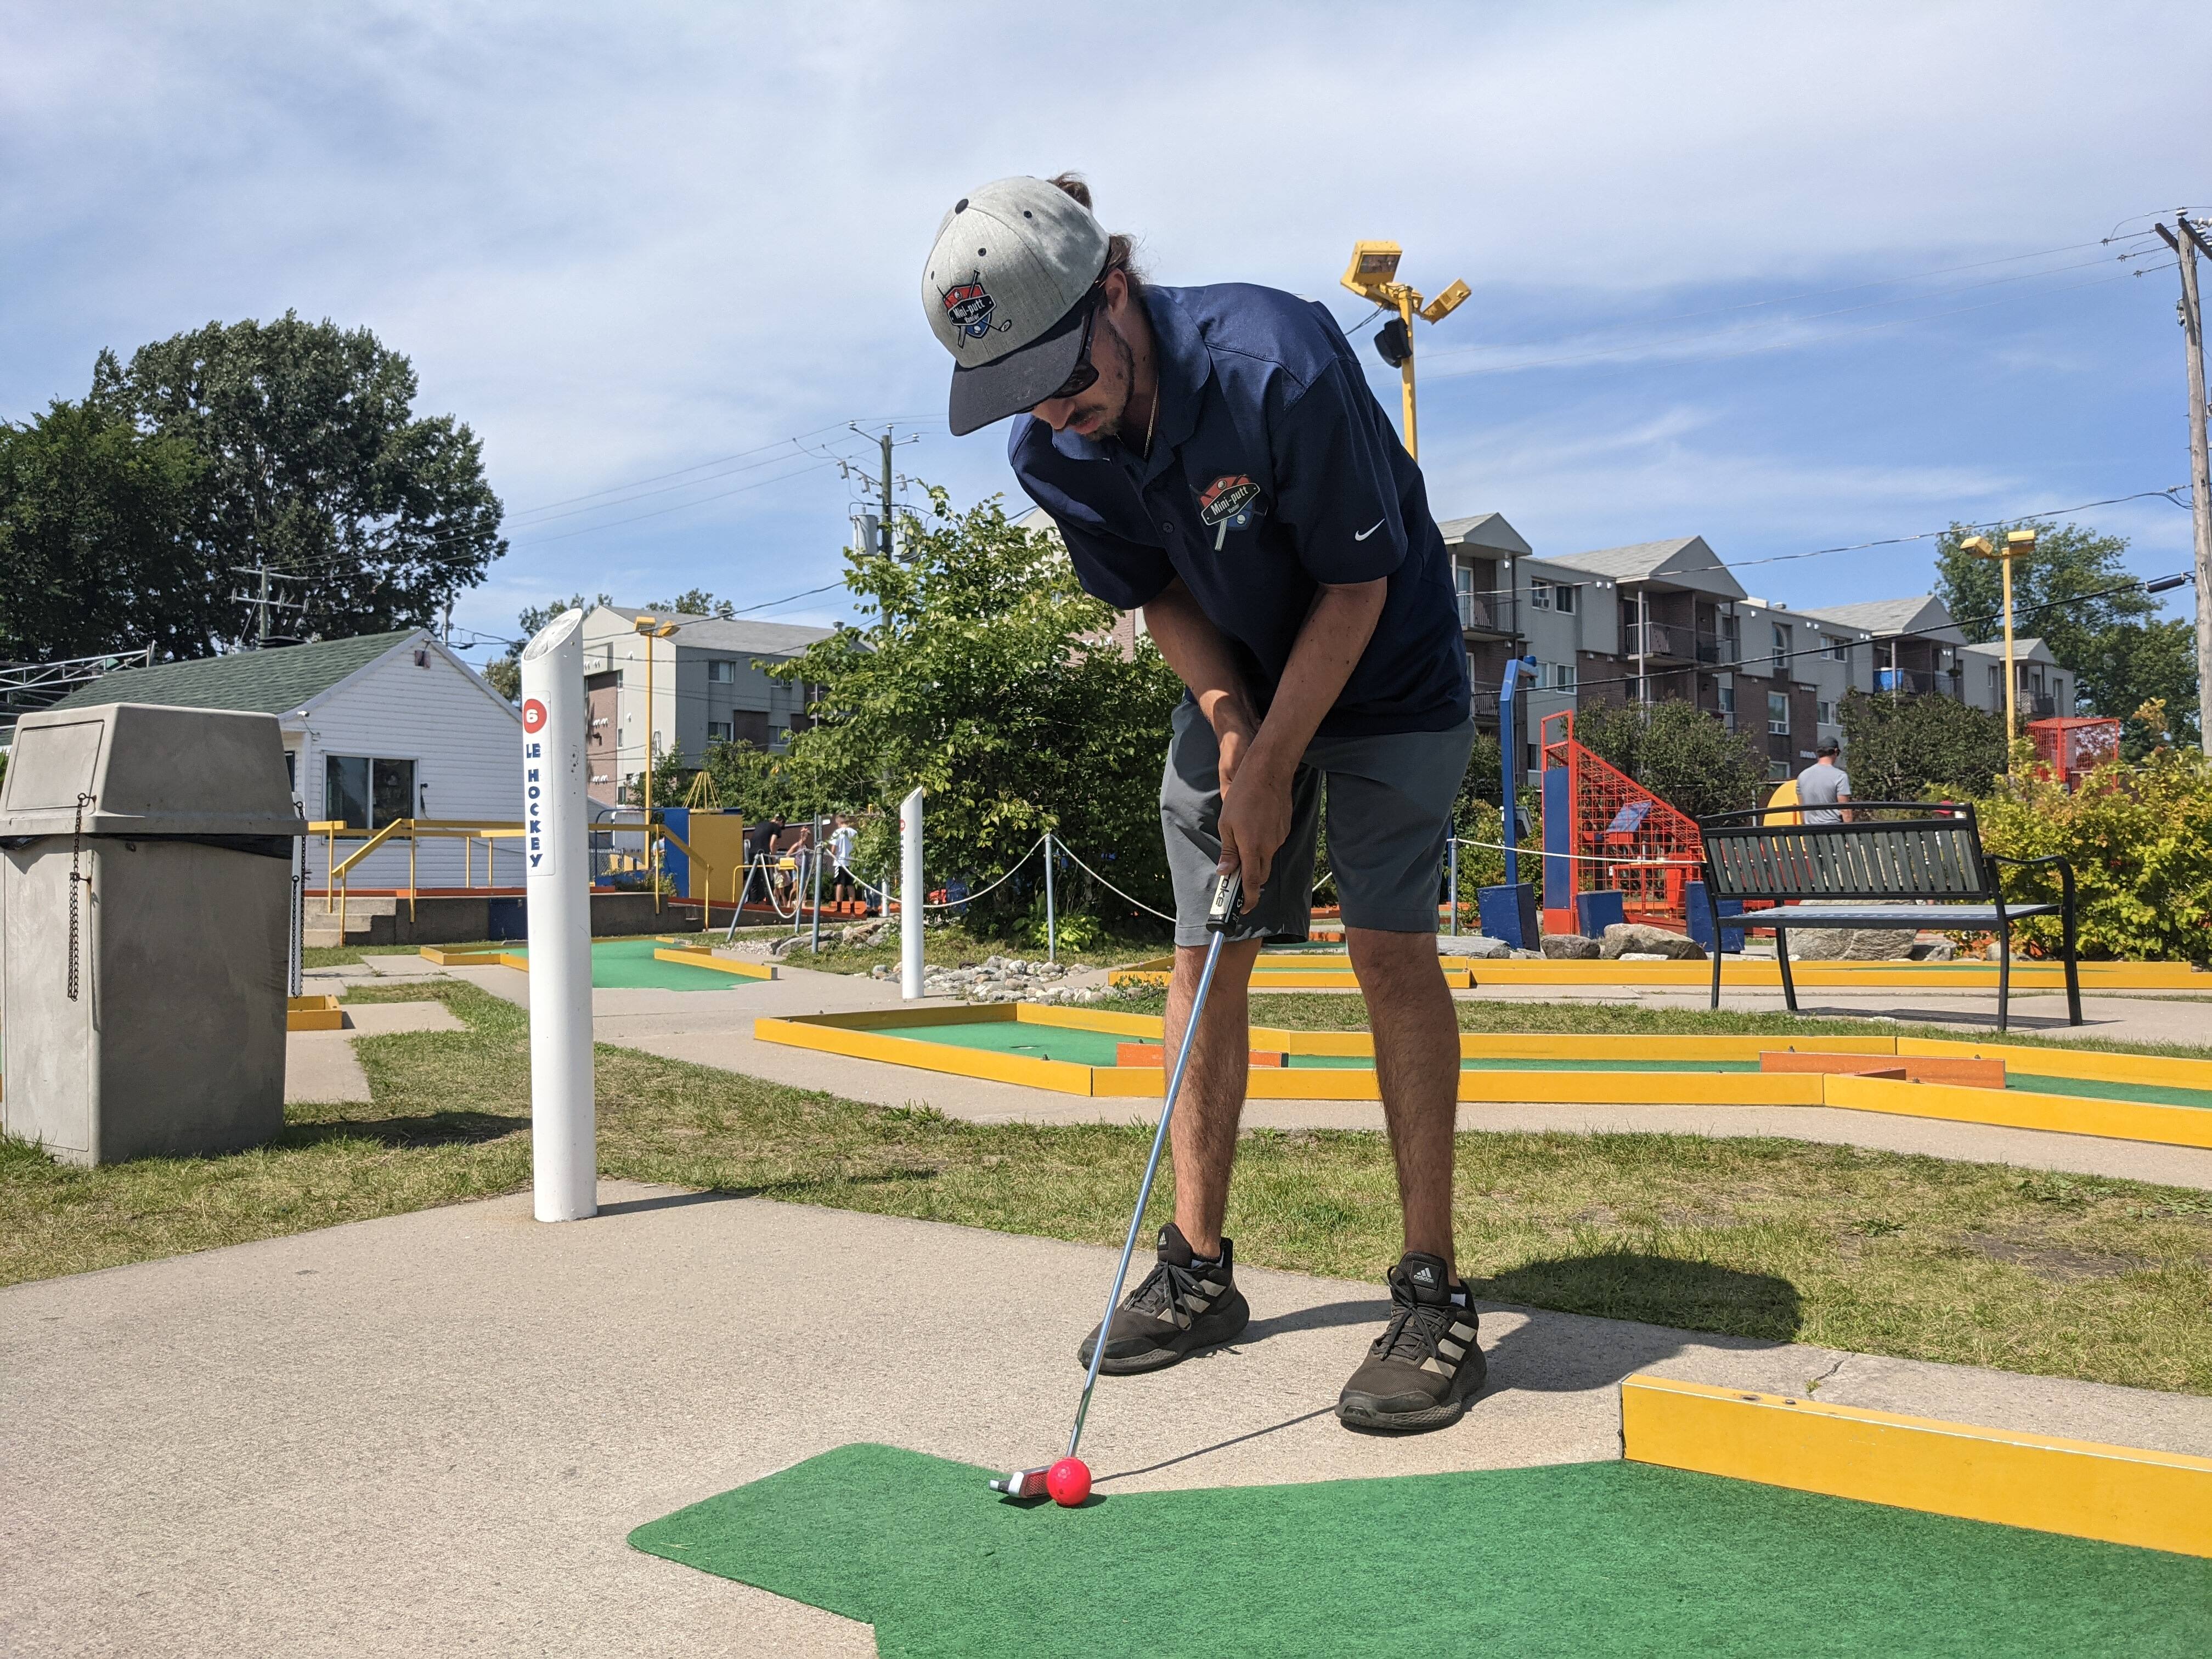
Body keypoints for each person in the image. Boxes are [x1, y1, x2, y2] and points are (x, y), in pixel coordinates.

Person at [924, 174, 1482, 1432]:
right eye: (1023, 397)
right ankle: (1195, 1266)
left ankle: (1435, 1291)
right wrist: (1234, 729)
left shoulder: (1277, 360)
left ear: (1113, 288)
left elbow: (1358, 590)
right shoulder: (1050, 446)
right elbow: (1156, 594)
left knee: (1387, 950)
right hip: (1238, 676)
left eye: (1066, 377)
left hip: (1388, 669)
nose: (1056, 416)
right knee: (1206, 953)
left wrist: (1278, 765)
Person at [1796, 741, 1853, 825]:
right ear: (1836, 751)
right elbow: (1845, 810)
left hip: (1810, 833)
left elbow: (1802, 812)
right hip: (1833, 832)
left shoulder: (1802, 776)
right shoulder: (1840, 776)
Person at [829, 813, 859, 910]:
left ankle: (839, 908)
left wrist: (833, 855)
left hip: (840, 862)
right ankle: (852, 909)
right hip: (852, 862)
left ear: (840, 823)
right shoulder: (854, 832)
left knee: (840, 884)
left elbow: (833, 849)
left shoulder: (837, 833)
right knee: (851, 885)